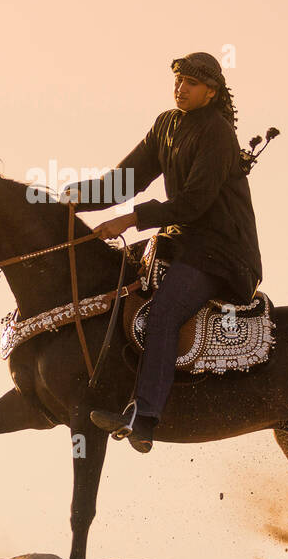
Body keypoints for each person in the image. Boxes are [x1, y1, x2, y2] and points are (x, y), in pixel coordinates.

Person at [60, 52, 263, 453]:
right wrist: (65, 201)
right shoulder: (166, 125)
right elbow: (122, 182)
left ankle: (145, 416)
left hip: (221, 256)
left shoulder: (219, 134)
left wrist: (128, 221)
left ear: (212, 91)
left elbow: (193, 203)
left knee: (163, 312)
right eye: (178, 80)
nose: (180, 87)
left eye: (190, 83)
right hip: (182, 245)